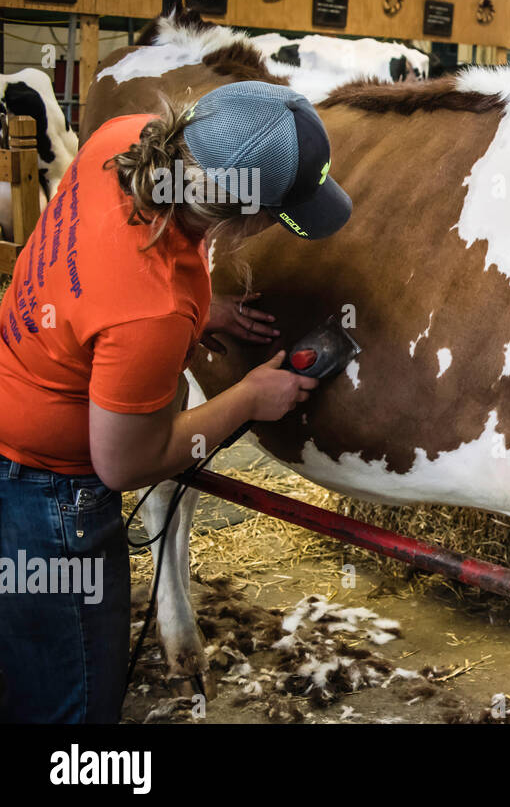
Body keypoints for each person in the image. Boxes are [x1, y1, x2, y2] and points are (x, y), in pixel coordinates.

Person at [0, 80, 352, 723]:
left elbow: (101, 282)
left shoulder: (122, 139)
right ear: (246, 216)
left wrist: (198, 312)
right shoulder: (152, 307)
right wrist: (248, 398)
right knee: (72, 706)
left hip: (17, 411)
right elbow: (126, 465)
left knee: (27, 668)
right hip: (49, 499)